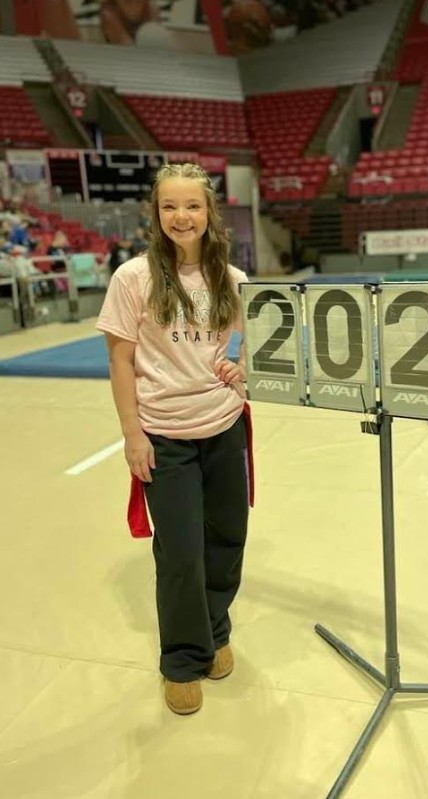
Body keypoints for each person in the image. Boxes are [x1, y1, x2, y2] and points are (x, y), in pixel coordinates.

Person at [96, 162, 252, 716]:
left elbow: (247, 348)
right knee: (181, 551)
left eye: (192, 206)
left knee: (227, 537)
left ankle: (215, 628)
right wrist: (132, 433)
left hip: (225, 426)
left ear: (210, 212)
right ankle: (182, 659)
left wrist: (240, 371)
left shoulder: (231, 279)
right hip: (166, 437)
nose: (181, 216)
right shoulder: (133, 278)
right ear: (155, 214)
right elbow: (120, 359)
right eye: (169, 206)